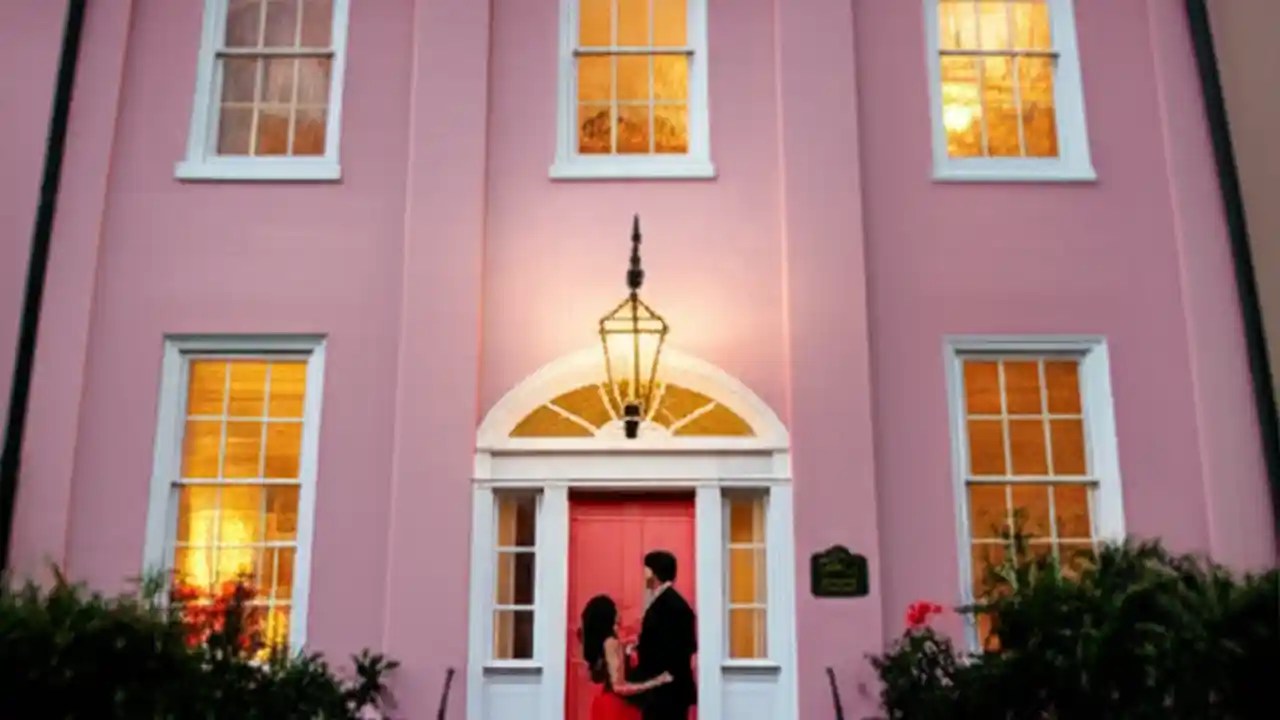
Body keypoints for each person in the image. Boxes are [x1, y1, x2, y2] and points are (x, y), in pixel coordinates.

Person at [628, 550, 697, 720]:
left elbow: (665, 646)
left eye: (646, 569)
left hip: (664, 691)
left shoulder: (666, 605)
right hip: (671, 689)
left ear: (653, 572)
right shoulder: (674, 603)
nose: (643, 575)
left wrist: (638, 650)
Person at [581, 594, 673, 720]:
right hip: (617, 709)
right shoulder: (611, 643)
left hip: (604, 707)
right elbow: (619, 687)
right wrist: (655, 682)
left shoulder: (603, 644)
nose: (619, 611)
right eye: (615, 608)